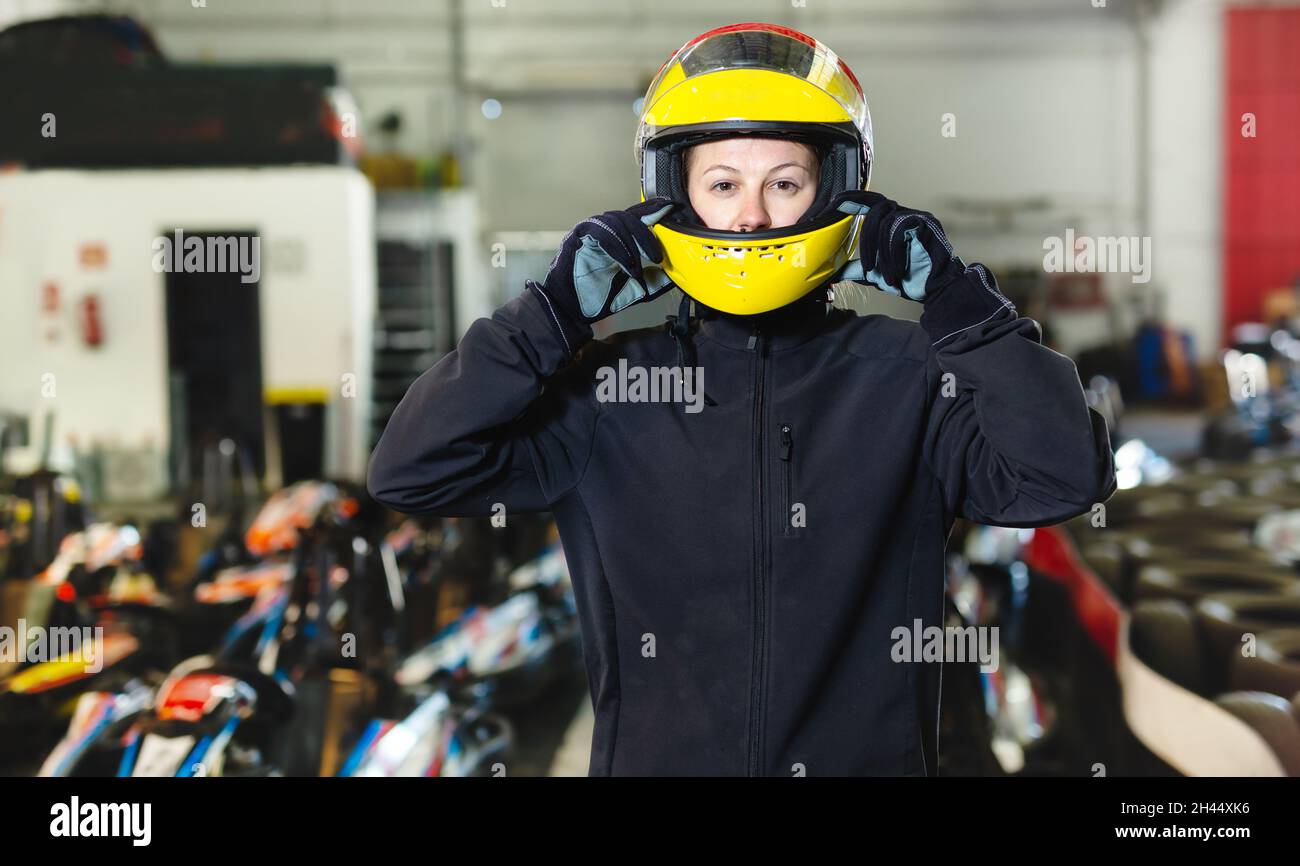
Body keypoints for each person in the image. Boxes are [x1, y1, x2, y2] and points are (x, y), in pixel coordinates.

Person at [367, 22, 1117, 776]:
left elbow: (1062, 476)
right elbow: (411, 469)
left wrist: (965, 309)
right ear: (676, 196)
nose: (751, 216)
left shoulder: (912, 377)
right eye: (722, 184)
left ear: (836, 191)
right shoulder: (608, 390)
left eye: (783, 183)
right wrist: (551, 314)